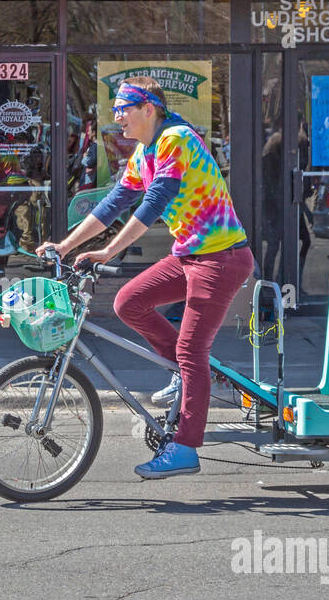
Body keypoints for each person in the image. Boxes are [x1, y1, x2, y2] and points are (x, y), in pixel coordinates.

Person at [36, 75, 252, 479]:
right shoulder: (143, 152)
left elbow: (153, 204)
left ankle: (185, 447)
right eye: (115, 109)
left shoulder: (177, 139)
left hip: (222, 258)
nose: (117, 117)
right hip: (190, 255)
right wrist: (65, 246)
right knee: (128, 302)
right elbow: (114, 202)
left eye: (123, 109)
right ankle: (186, 373)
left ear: (148, 108)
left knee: (191, 349)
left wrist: (106, 251)